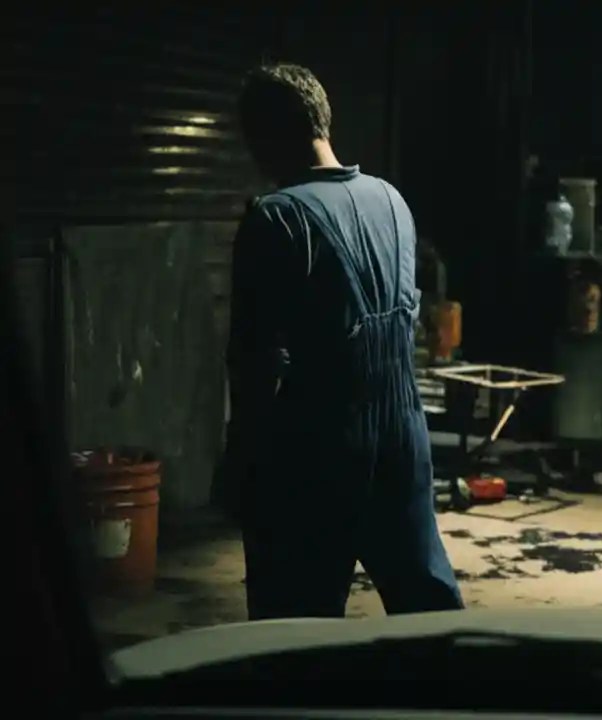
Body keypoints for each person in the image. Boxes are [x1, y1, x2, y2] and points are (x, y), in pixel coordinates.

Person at [216, 63, 463, 618]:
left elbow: (254, 361)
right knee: (426, 604)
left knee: (295, 618)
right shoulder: (392, 200)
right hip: (404, 433)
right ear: (321, 121)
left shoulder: (276, 219)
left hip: (318, 440)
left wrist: (240, 462)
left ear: (263, 134)